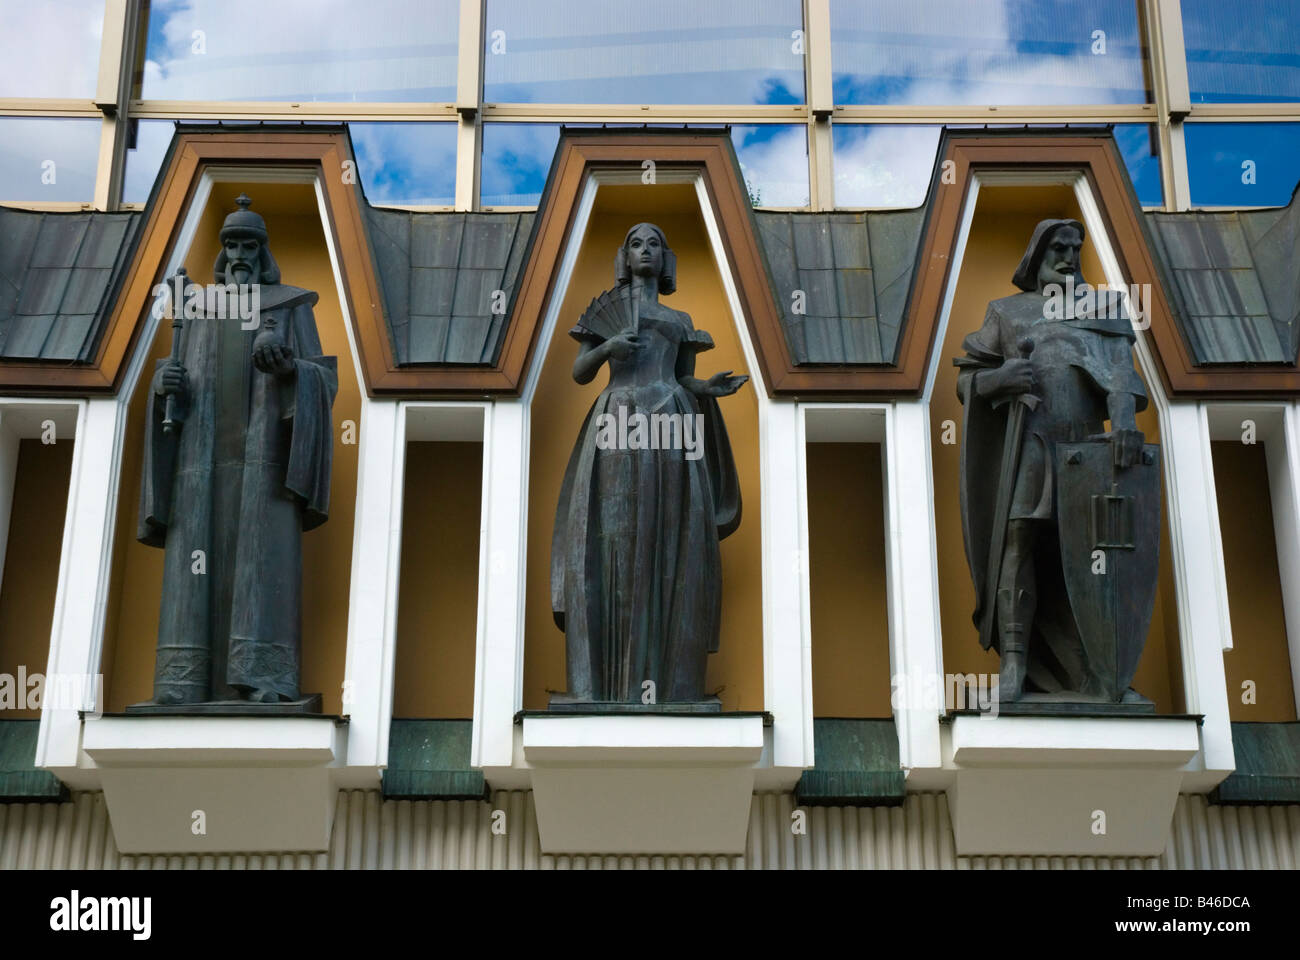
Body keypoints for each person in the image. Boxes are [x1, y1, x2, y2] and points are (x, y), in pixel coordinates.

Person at [136, 195, 337, 707]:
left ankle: (264, 679)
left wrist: (291, 368)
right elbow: (171, 395)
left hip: (264, 466)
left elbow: (323, 380)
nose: (240, 253)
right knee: (192, 566)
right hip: (198, 468)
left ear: (262, 252)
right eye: (232, 244)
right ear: (223, 253)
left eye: (250, 243)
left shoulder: (289, 306)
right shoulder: (196, 309)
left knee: (261, 563)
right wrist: (166, 383)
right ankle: (184, 684)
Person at [551, 222, 747, 704]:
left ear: (666, 259)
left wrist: (708, 390)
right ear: (625, 255)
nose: (645, 250)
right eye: (636, 242)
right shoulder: (603, 312)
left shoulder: (679, 321)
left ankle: (667, 675)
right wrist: (608, 348)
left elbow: (684, 377)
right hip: (616, 417)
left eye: (654, 243)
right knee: (613, 535)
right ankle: (608, 681)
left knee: (669, 533)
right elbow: (580, 373)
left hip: (672, 420)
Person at [955, 219, 1147, 701]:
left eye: (1074, 249)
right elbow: (967, 382)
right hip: (1032, 446)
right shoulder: (1007, 312)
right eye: (1057, 248)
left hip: (1088, 450)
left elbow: (1122, 375)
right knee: (1018, 542)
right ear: (1036, 257)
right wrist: (1002, 379)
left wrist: (1123, 420)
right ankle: (1015, 665)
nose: (1067, 257)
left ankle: (1103, 671)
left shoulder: (1105, 308)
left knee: (1090, 555)